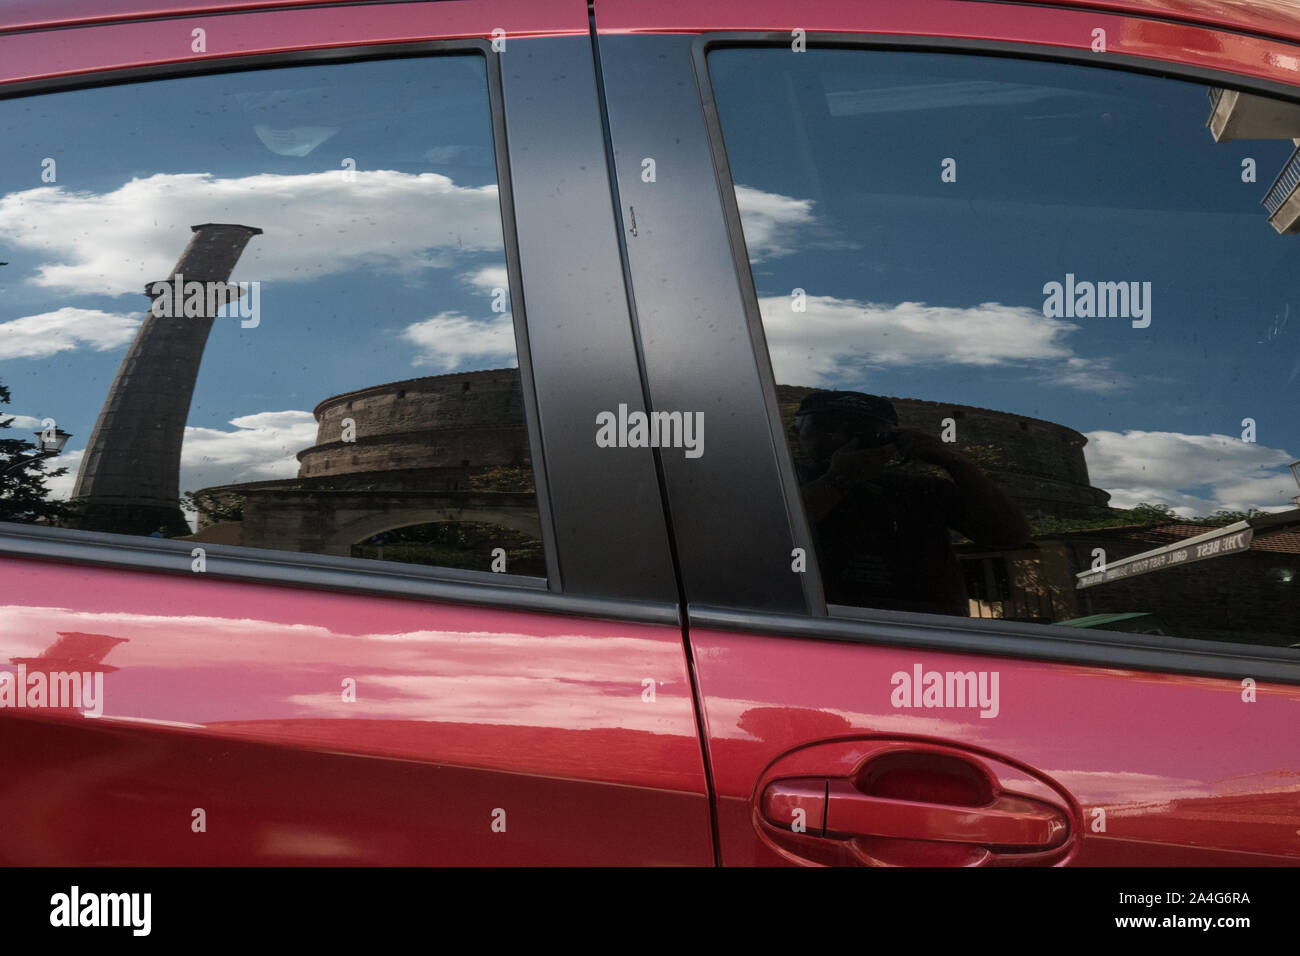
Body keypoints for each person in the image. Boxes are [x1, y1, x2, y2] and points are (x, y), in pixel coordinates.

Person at [793, 390, 1031, 616]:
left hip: (924, 629)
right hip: (817, 624)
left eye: (863, 432)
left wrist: (955, 464)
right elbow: (775, 534)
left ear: (891, 439)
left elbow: (1010, 535)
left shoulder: (923, 490)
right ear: (797, 434)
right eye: (827, 428)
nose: (844, 439)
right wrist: (838, 480)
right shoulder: (783, 481)